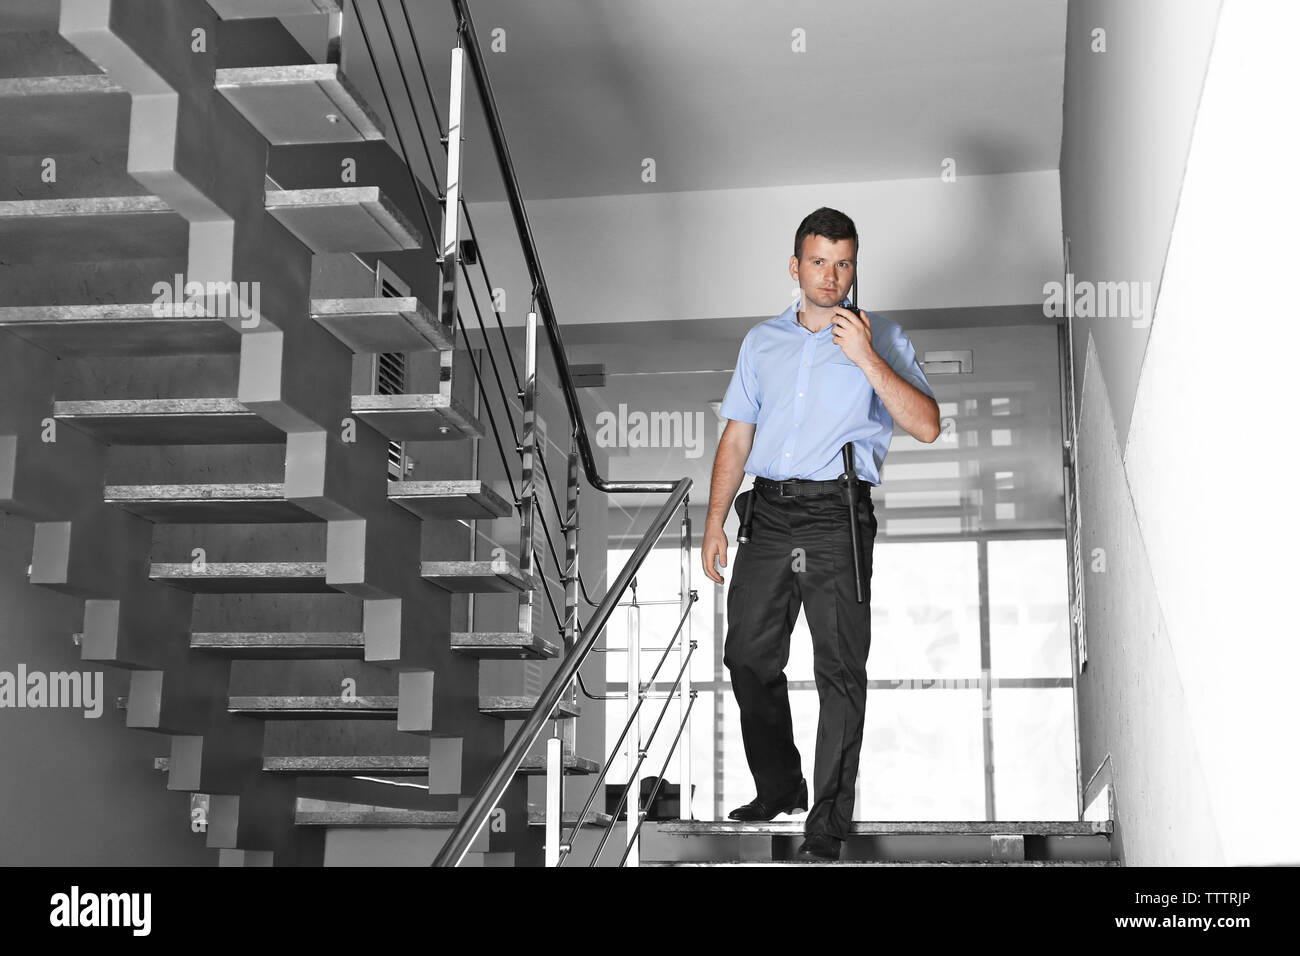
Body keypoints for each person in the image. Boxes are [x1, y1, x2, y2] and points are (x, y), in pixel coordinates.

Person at [702, 206, 940, 862]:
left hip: (838, 515)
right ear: (795, 266)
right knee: (747, 655)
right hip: (769, 515)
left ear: (854, 267)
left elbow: (925, 425)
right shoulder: (761, 343)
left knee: (839, 672)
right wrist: (714, 520)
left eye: (844, 264)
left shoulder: (882, 336)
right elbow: (738, 434)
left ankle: (826, 828)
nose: (832, 276)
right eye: (819, 262)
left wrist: (866, 358)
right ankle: (780, 785)